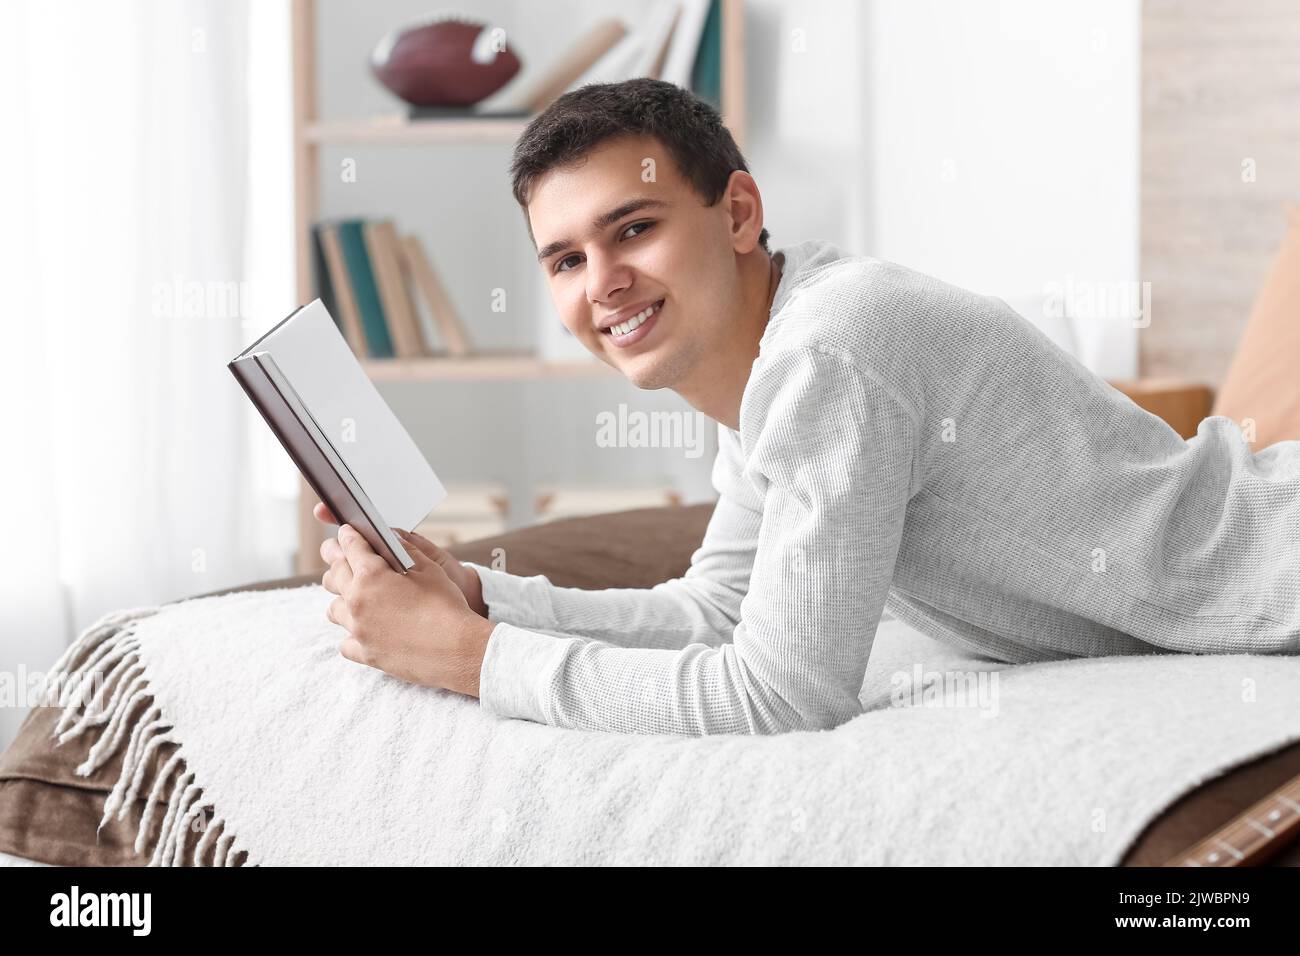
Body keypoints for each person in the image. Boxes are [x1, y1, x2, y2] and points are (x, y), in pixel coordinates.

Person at [316, 78, 1300, 737]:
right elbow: (715, 613)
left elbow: (780, 692)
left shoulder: (832, 346)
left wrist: (474, 659)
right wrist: (483, 594)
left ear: (738, 213)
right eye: (566, 259)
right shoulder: (775, 356)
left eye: (635, 229)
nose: (603, 282)